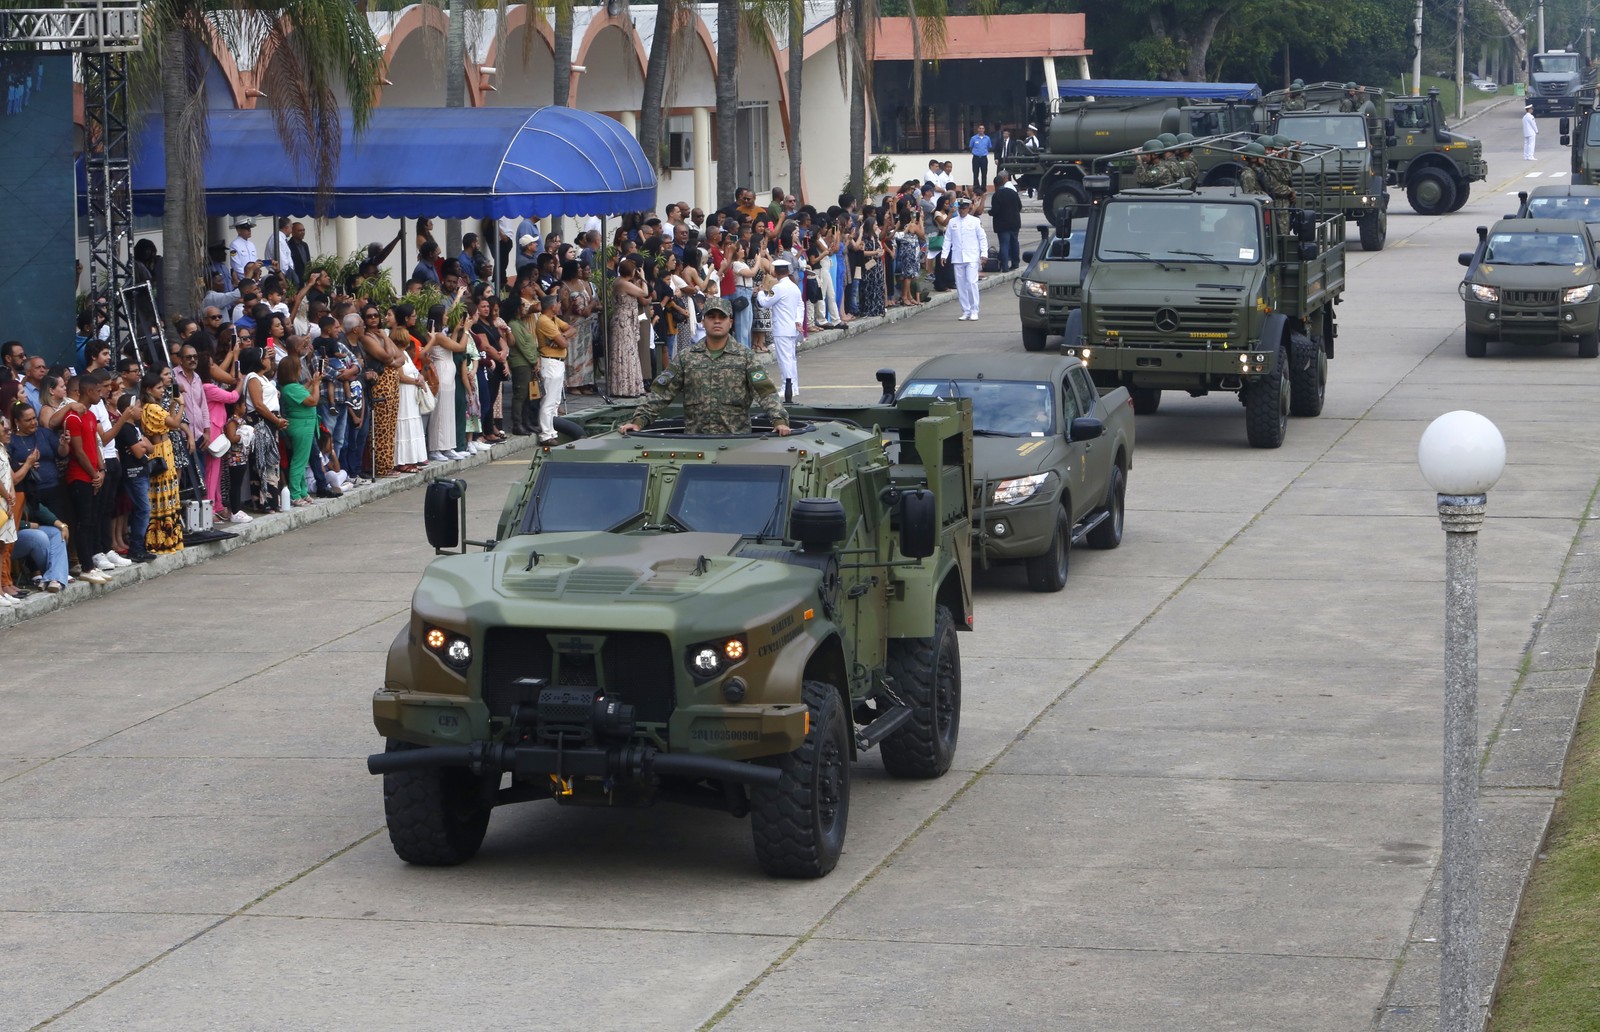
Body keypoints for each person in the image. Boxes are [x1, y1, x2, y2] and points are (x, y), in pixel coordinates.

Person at [619, 298, 791, 436]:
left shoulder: (745, 357)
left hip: (736, 442)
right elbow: (661, 394)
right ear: (703, 321)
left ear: (730, 322)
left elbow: (765, 392)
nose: (717, 321)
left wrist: (779, 421)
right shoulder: (687, 358)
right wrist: (638, 421)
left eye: (722, 317)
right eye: (711, 317)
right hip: (696, 443)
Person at [138, 369, 184, 554]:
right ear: (149, 389)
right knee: (163, 496)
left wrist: (172, 405)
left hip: (163, 447)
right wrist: (182, 405)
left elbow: (169, 420)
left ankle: (167, 538)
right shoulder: (152, 408)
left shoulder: (150, 407)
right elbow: (175, 424)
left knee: (167, 494)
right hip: (160, 450)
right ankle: (162, 540)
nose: (162, 391)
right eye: (159, 388)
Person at [277, 351, 321, 506]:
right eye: (299, 368)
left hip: (304, 424)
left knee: (302, 460)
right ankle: (295, 493)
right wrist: (315, 385)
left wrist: (312, 383)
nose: (301, 370)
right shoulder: (291, 388)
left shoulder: (292, 387)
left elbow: (305, 393)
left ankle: (302, 491)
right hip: (302, 425)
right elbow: (312, 401)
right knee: (299, 461)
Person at [757, 258, 805, 400]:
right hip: (792, 328)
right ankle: (794, 387)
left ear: (776, 272)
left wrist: (761, 292)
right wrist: (798, 320)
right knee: (791, 359)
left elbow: (765, 303)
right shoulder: (794, 286)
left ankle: (786, 387)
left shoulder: (778, 288)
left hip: (782, 329)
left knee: (784, 360)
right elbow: (800, 305)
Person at [534, 293, 576, 444]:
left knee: (555, 401)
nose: (560, 306)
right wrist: (562, 339)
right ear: (553, 306)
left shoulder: (553, 319)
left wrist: (561, 336)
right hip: (550, 362)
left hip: (558, 362)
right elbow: (564, 344)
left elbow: (572, 329)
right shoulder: (545, 321)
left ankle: (552, 431)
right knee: (549, 401)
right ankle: (546, 434)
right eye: (558, 303)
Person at [941, 195, 987, 321]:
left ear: (969, 208)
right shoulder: (952, 222)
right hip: (958, 257)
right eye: (960, 208)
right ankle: (965, 310)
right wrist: (944, 255)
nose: (962, 210)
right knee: (961, 285)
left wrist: (984, 253)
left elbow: (982, 238)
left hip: (972, 256)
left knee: (972, 283)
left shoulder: (975, 221)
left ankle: (974, 310)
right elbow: (948, 239)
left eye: (965, 208)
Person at [609, 258, 650, 398]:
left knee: (630, 352)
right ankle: (625, 388)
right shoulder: (622, 283)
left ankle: (632, 386)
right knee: (625, 352)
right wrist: (643, 278)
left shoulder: (621, 282)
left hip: (626, 320)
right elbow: (644, 293)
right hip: (623, 321)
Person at [990, 172, 1023, 272]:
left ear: (995, 185)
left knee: (1004, 244)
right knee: (1015, 243)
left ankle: (1005, 267)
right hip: (1015, 222)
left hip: (1003, 224)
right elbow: (1020, 206)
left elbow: (995, 210)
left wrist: (990, 212)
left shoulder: (996, 195)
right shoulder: (1012, 192)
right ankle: (1015, 263)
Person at [229, 217, 258, 283]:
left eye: (249, 228)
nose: (249, 230)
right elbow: (236, 266)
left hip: (254, 279)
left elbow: (255, 261)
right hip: (243, 280)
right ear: (238, 230)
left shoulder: (251, 245)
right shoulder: (234, 245)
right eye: (246, 228)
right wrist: (247, 278)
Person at [969, 122, 994, 193]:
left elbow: (989, 147)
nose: (981, 130)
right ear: (977, 129)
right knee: (975, 173)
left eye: (982, 128)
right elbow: (971, 147)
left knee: (984, 173)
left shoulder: (987, 138)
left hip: (984, 158)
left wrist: (984, 152)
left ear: (984, 130)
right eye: (980, 128)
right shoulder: (973, 138)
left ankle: (983, 187)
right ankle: (976, 187)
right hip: (976, 158)